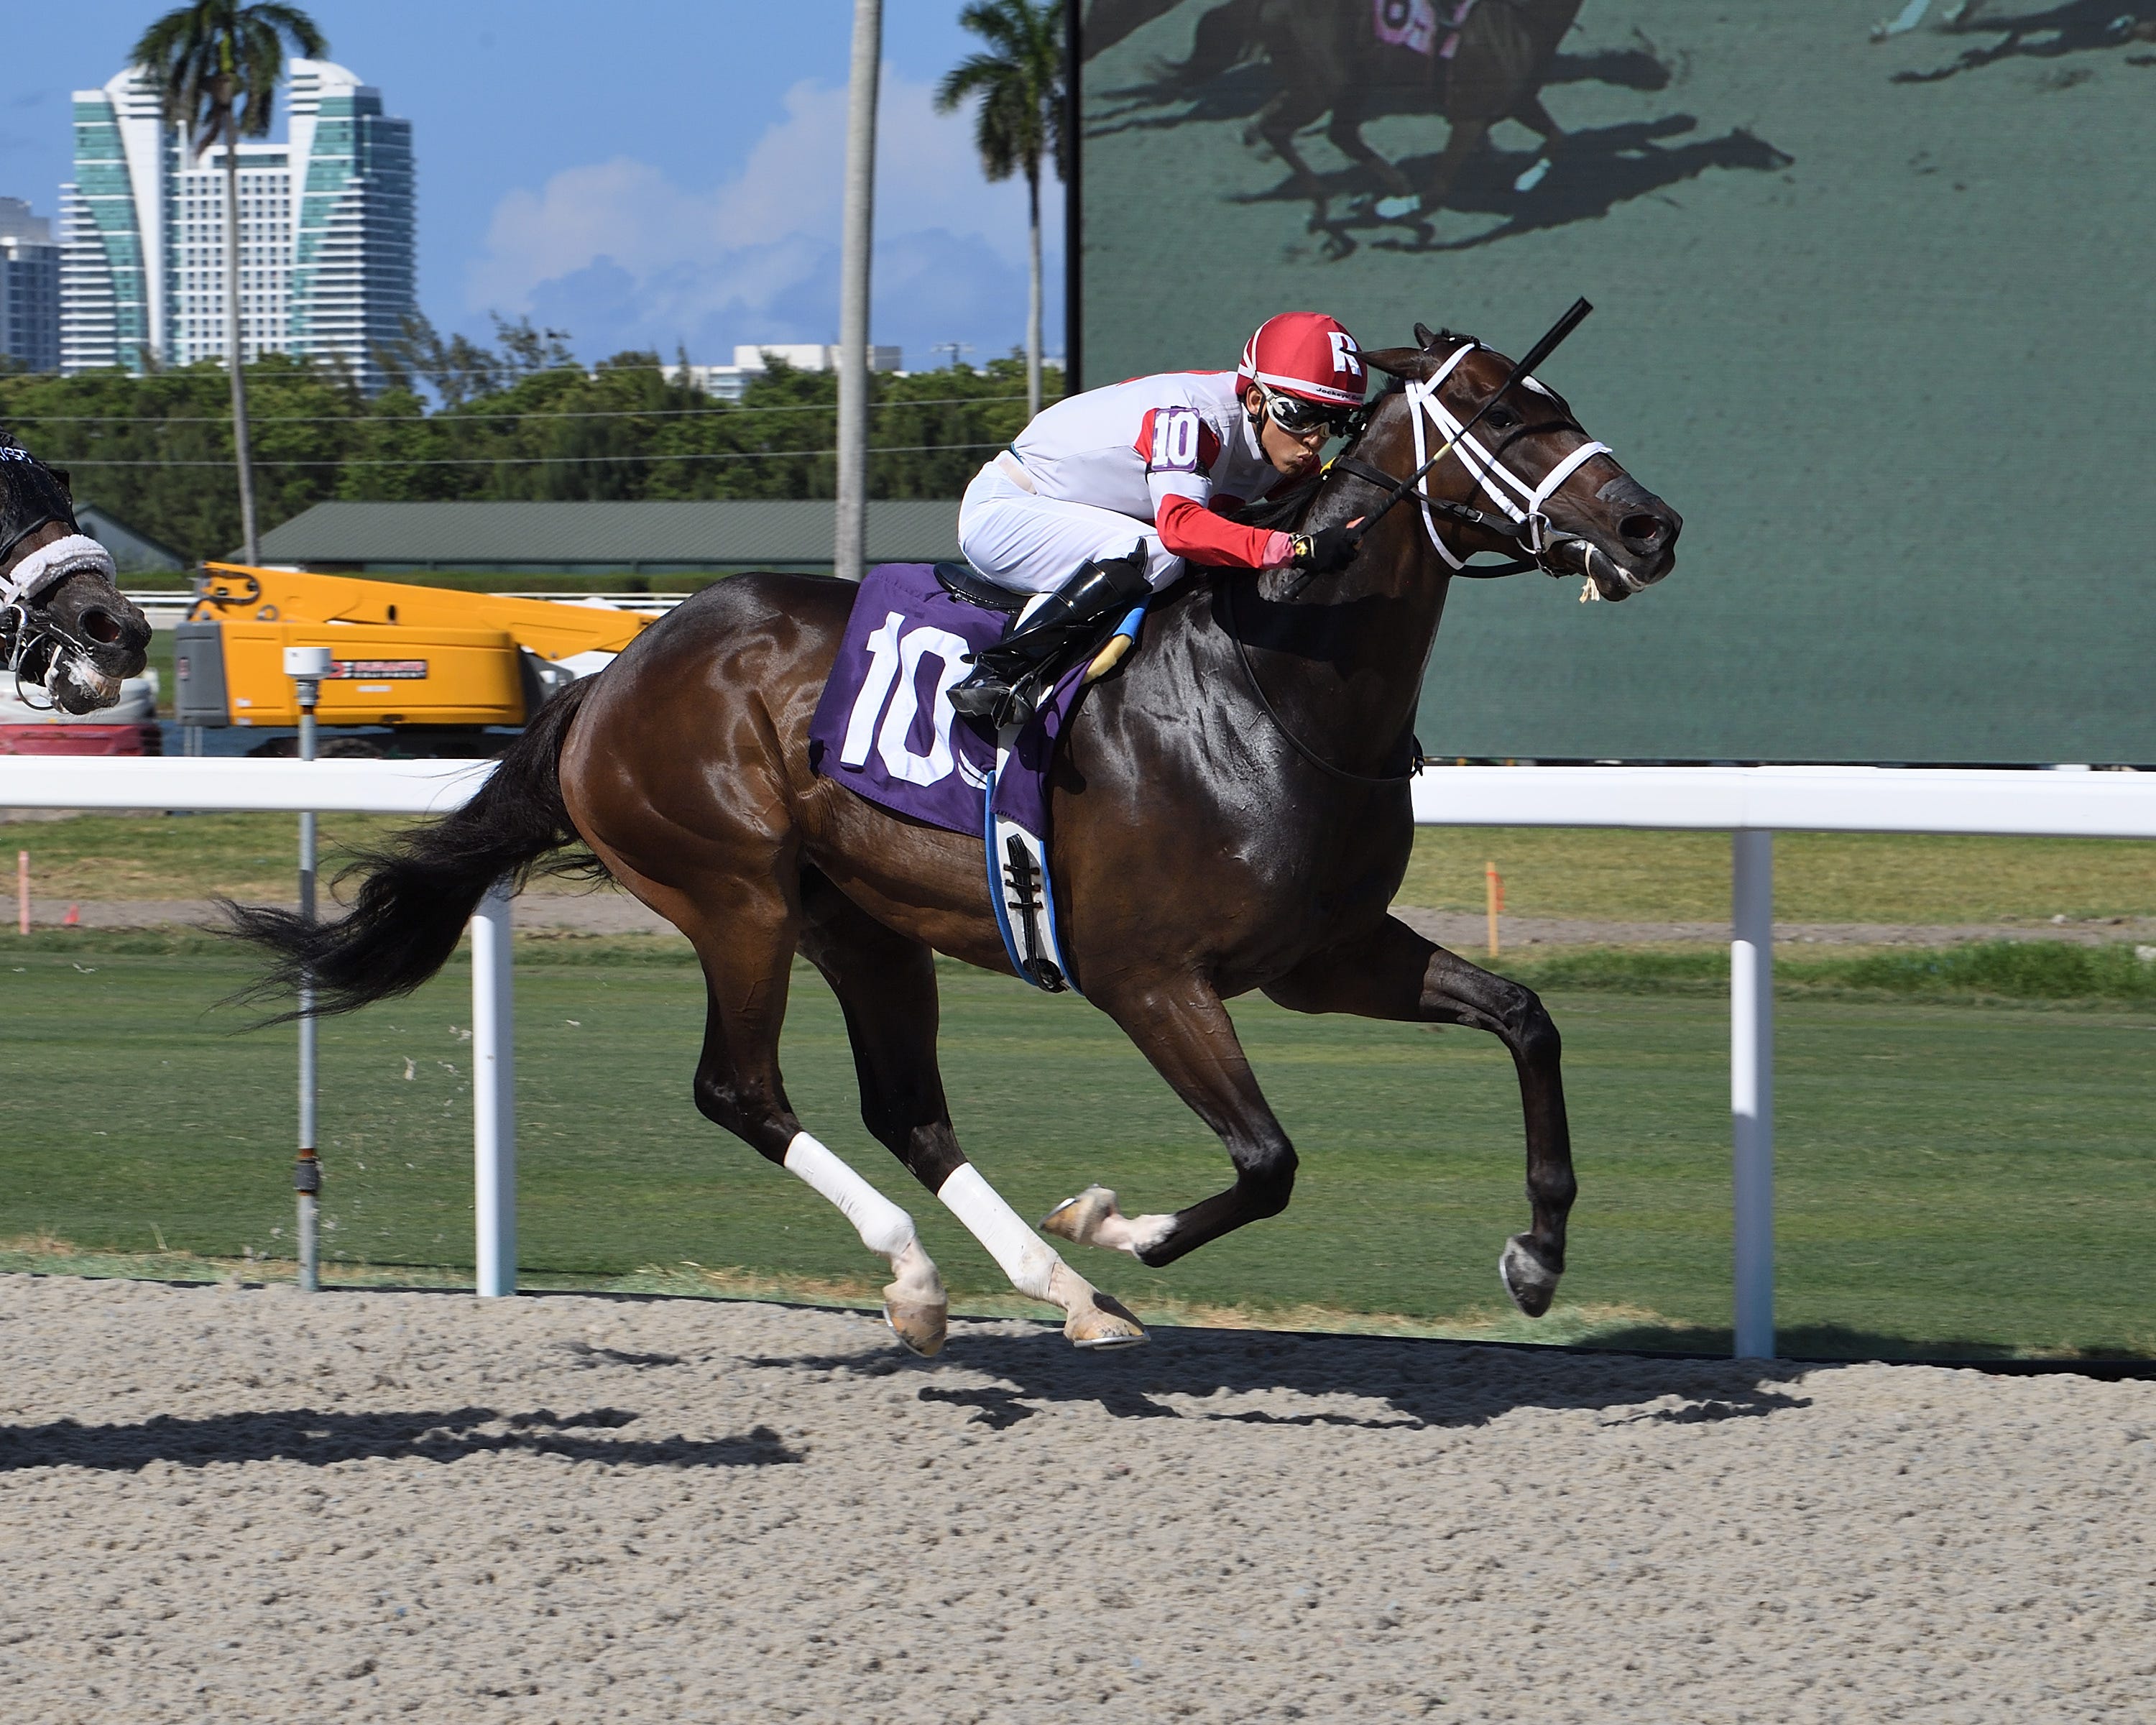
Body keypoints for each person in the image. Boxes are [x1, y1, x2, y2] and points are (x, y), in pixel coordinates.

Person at [948, 312, 1369, 724]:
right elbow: (1181, 528)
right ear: (1257, 400)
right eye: (1301, 416)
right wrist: (1296, 549)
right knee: (1162, 552)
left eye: (1332, 421)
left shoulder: (1279, 449)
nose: (1315, 439)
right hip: (1007, 513)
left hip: (1083, 520)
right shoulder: (1188, 417)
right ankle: (1002, 670)